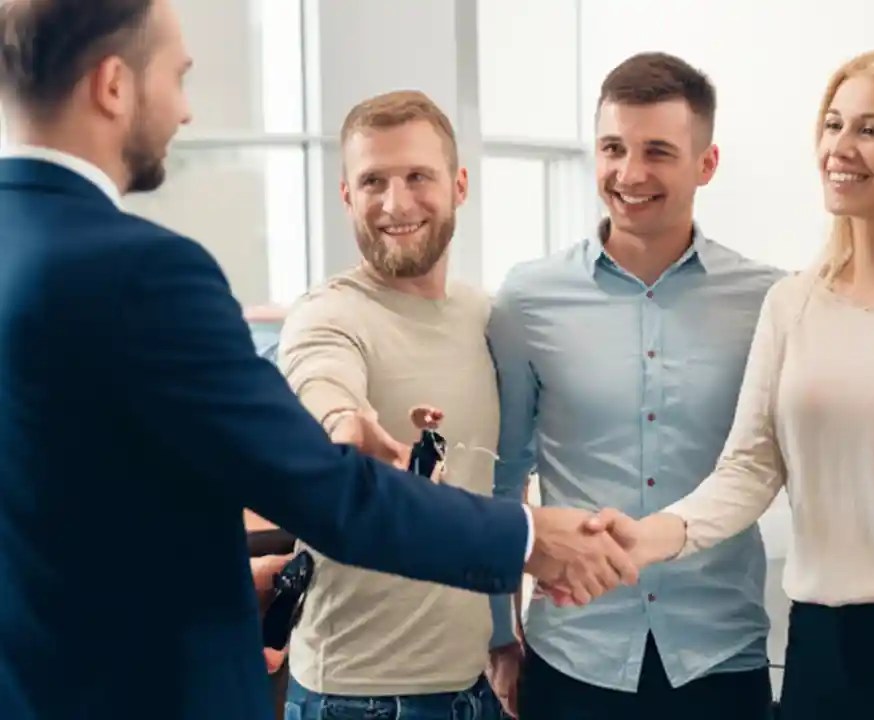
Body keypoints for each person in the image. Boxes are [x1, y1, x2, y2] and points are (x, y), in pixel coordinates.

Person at [0, 2, 635, 719]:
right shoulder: (143, 270)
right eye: (178, 76)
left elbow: (57, 506)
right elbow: (330, 485)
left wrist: (223, 579)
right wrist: (528, 537)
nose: (184, 111)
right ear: (114, 85)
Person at [580, 49, 874, 719]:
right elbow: (749, 468)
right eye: (833, 124)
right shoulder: (793, 303)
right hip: (819, 647)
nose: (839, 148)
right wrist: (646, 537)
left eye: (871, 129)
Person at [486, 52, 783, 720]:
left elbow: (778, 467)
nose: (630, 174)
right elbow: (505, 476)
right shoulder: (528, 300)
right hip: (574, 657)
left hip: (719, 659)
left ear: (706, 164)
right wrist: (500, 632)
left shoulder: (768, 301)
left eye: (658, 151)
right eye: (613, 148)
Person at [276, 90, 517, 720]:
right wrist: (340, 421)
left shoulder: (482, 315)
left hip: (470, 682)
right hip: (357, 697)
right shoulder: (328, 313)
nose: (395, 203)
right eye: (373, 181)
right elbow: (318, 373)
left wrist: (501, 638)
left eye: (418, 177)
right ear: (346, 195)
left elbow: (486, 487)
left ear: (459, 185)